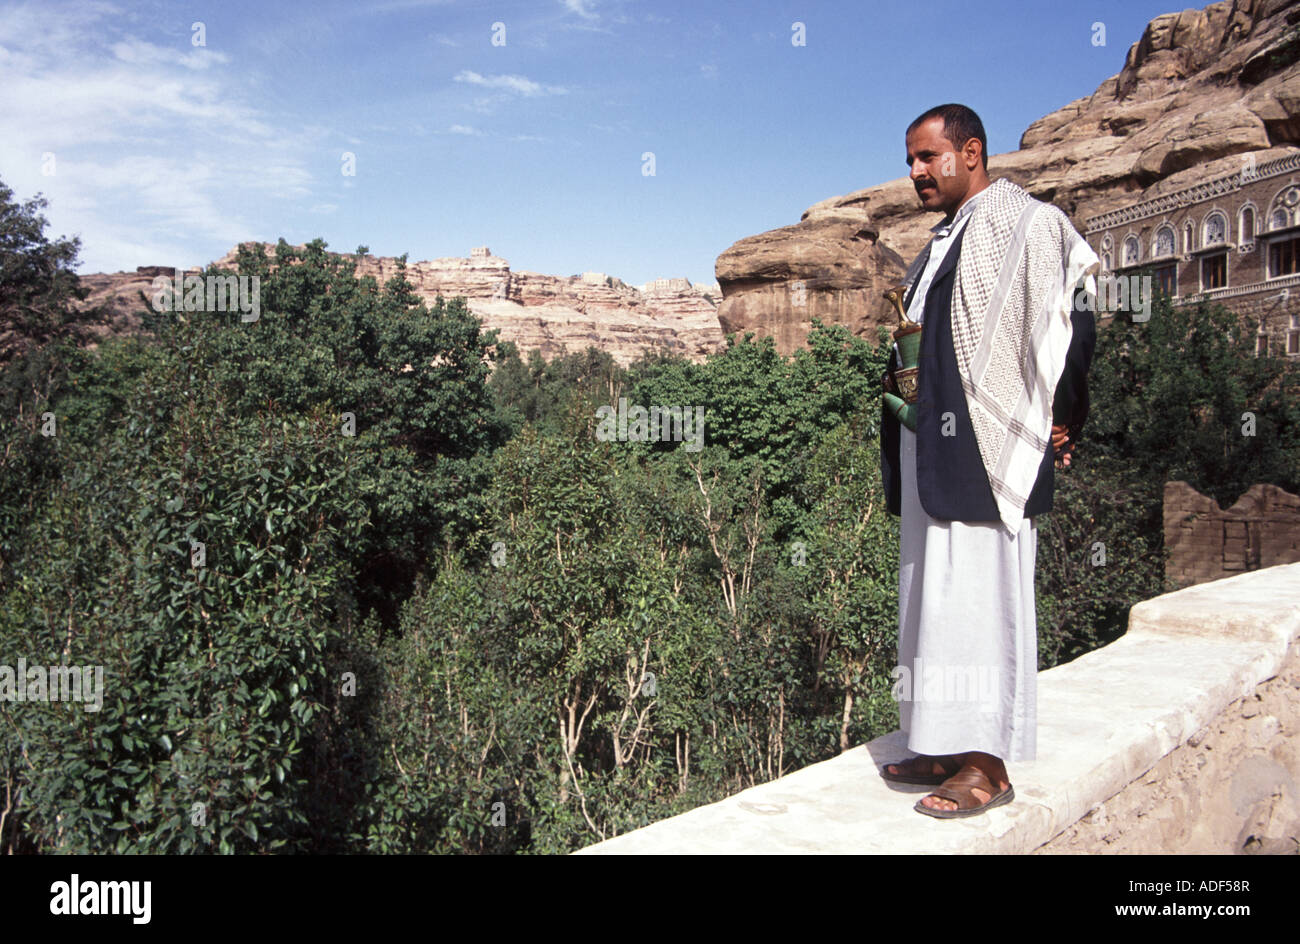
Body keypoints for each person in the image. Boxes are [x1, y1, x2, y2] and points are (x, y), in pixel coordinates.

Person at [876, 103, 1097, 818]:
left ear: (971, 152)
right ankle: (943, 741)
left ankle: (988, 766)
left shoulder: (1027, 224)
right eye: (910, 160)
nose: (915, 172)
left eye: (928, 157)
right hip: (932, 453)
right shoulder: (945, 242)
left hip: (987, 451)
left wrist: (1062, 416)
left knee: (978, 597)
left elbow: (1075, 311)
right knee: (932, 599)